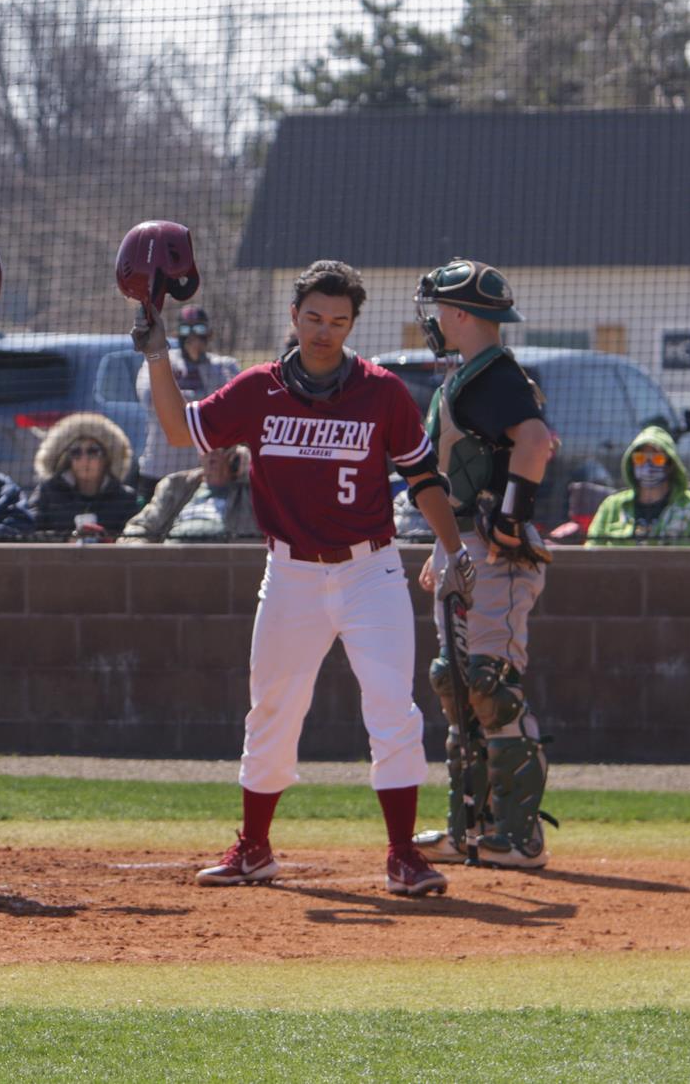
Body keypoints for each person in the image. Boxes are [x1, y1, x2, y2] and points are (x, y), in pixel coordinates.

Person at [137, 259, 472, 897]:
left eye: (338, 321)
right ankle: (255, 849)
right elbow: (182, 429)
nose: (324, 330)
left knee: (392, 709)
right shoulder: (257, 388)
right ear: (294, 317)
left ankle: (404, 855)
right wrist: (158, 355)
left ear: (353, 325)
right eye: (314, 317)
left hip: (370, 570)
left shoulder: (382, 392)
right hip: (290, 573)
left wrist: (454, 550)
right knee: (272, 709)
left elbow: (424, 477)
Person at [408, 257, 557, 871]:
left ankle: (518, 836)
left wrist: (512, 518)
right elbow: (457, 476)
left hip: (495, 551)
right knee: (456, 683)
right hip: (466, 546)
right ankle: (468, 828)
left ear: (462, 314)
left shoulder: (494, 375)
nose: (436, 319)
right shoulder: (469, 375)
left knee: (490, 684)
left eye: (443, 308)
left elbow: (536, 441)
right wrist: (443, 546)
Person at [135, 305, 239, 495]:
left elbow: (229, 407)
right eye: (186, 329)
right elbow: (148, 397)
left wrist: (195, 374)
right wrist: (195, 399)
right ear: (177, 333)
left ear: (210, 333)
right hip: (158, 471)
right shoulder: (162, 361)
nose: (192, 336)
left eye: (198, 329)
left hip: (203, 474)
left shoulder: (224, 366)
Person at [584, 425, 690, 546]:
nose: (647, 466)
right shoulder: (612, 506)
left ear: (670, 465)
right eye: (640, 459)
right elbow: (591, 554)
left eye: (657, 459)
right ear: (632, 463)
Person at [26, 412, 144, 539]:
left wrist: (106, 540)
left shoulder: (125, 499)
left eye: (93, 451)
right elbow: (29, 532)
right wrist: (67, 540)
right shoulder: (48, 493)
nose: (84, 459)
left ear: (107, 458)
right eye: (76, 452)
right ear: (68, 459)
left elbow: (134, 538)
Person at [120, 445, 260, 544]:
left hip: (228, 567)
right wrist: (141, 553)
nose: (213, 451)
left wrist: (252, 469)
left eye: (222, 446)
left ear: (236, 454)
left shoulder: (250, 490)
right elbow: (139, 527)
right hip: (173, 565)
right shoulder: (176, 485)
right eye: (206, 445)